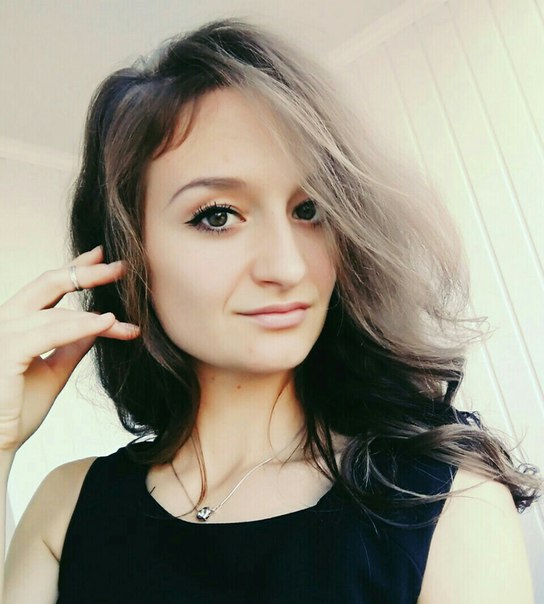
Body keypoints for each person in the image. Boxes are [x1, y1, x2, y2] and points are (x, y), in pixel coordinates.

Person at [0, 18, 540, 604]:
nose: (288, 266)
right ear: (126, 255)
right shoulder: (67, 509)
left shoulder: (444, 500)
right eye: (217, 215)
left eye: (311, 210)